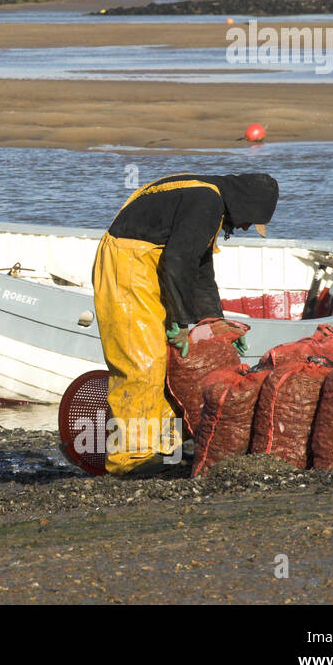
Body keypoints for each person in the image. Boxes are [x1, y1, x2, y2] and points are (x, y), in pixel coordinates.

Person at [92, 173, 279, 475]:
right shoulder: (206, 201)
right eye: (249, 221)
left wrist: (214, 321)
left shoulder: (210, 200)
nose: (245, 228)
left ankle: (161, 450)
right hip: (127, 266)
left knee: (168, 363)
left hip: (150, 264)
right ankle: (128, 460)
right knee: (142, 363)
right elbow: (178, 261)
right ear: (244, 205)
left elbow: (199, 268)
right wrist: (180, 322)